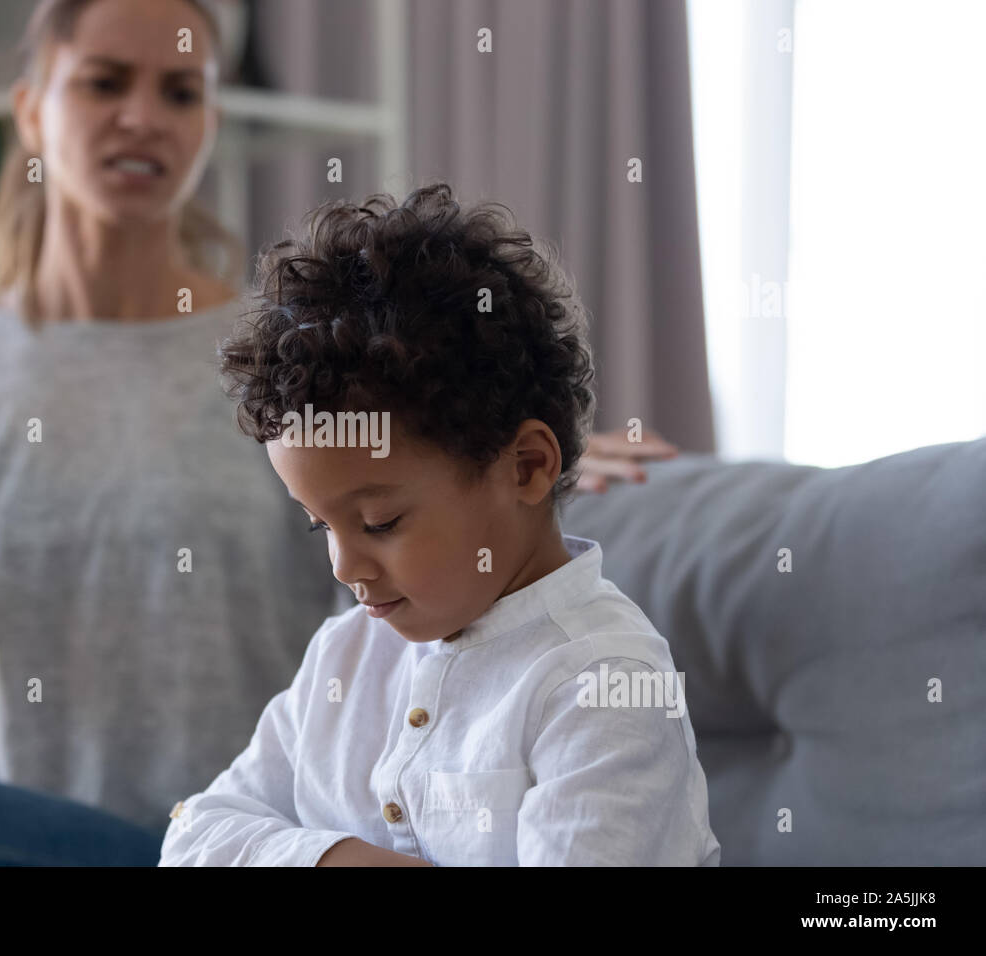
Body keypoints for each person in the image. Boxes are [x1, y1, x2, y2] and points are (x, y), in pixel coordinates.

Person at [0, 0, 677, 867]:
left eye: (181, 90)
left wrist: (539, 464)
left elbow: (419, 557)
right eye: (106, 82)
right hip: (65, 834)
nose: (142, 117)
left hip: (253, 819)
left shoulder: (298, 364)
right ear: (31, 107)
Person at [160, 183, 720, 866]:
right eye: (319, 526)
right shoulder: (346, 655)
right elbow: (193, 835)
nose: (343, 567)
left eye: (380, 520)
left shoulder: (601, 683)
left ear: (525, 467)